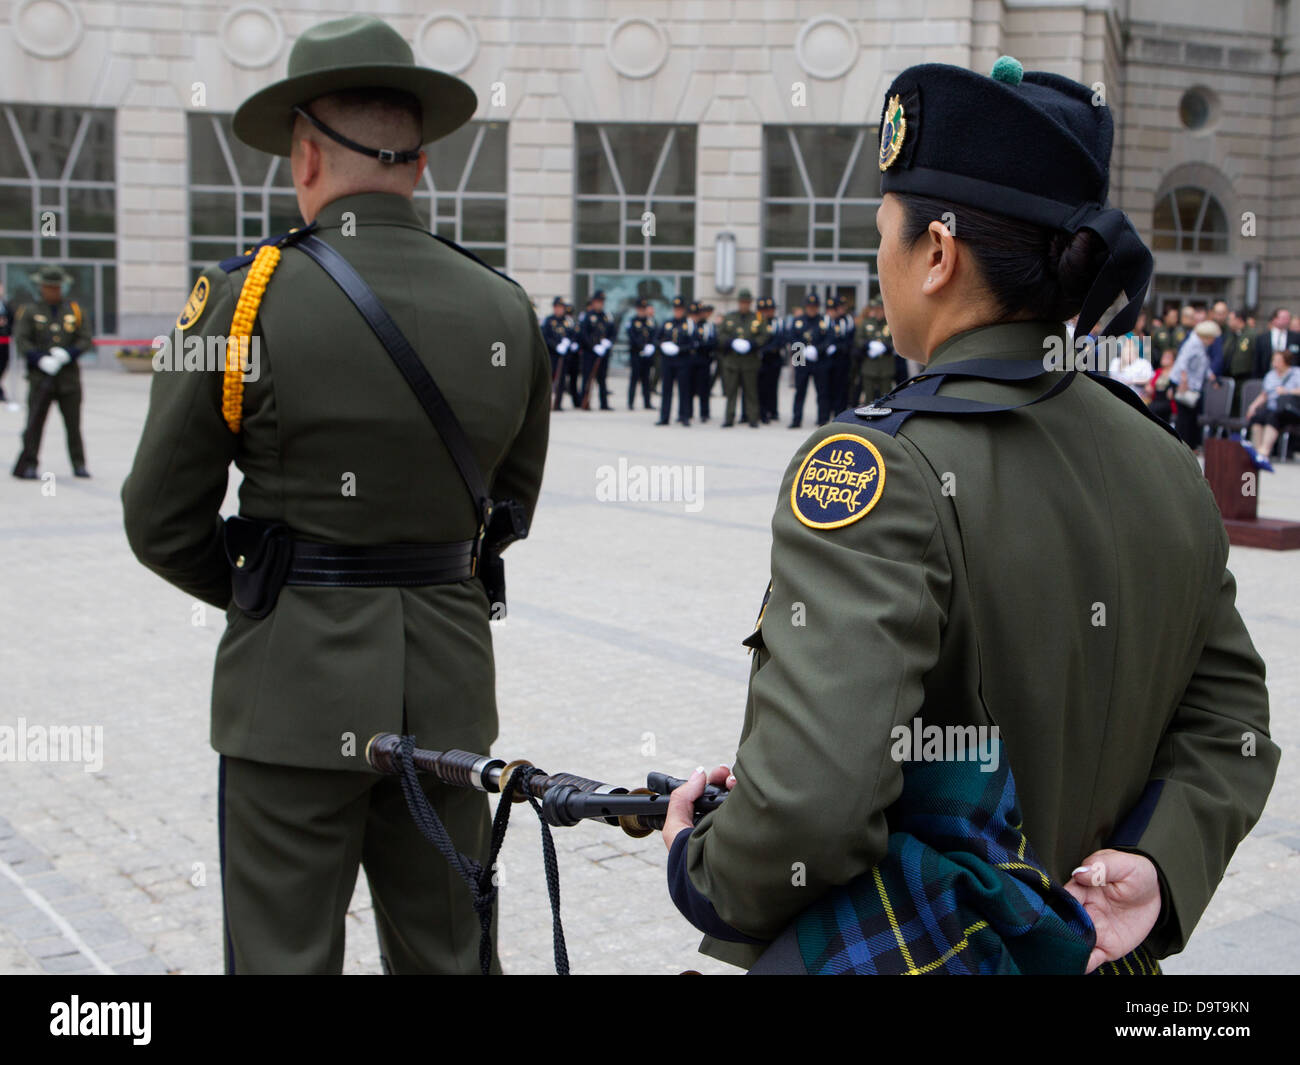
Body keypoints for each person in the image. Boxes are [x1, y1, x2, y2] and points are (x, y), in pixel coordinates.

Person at [660, 57, 1277, 975]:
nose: (880, 264)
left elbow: (816, 803)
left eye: (886, 235)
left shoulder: (878, 465)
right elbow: (1235, 719)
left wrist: (704, 867)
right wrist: (1160, 862)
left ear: (938, 253)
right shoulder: (1163, 459)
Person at [120, 15, 551, 974]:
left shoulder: (245, 298)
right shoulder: (505, 308)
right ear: (422, 162)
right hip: (445, 702)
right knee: (449, 958)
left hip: (290, 703)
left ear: (306, 153)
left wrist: (269, 585)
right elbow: (508, 510)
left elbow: (157, 515)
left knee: (281, 961)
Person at [11, 265, 93, 479]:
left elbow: (85, 338)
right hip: (41, 378)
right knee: (34, 424)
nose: (52, 291)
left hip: (68, 379)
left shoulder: (74, 311)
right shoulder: (30, 311)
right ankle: (29, 463)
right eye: (48, 287)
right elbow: (22, 340)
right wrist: (40, 359)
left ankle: (79, 463)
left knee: (73, 425)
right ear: (41, 287)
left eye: (56, 287)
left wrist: (69, 353)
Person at [718, 288, 766, 428]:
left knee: (751, 392)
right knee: (731, 391)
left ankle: (752, 418)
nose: (744, 305)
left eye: (746, 302)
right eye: (742, 302)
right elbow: (720, 334)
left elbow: (764, 336)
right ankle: (729, 417)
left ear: (750, 303)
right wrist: (731, 342)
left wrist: (752, 344)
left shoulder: (757, 318)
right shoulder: (730, 317)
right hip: (732, 361)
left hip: (749, 361)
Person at [1171, 320, 1219, 448]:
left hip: (1193, 384)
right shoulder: (1193, 343)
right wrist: (1184, 380)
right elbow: (1182, 362)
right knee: (1184, 417)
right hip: (1184, 383)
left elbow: (1203, 364)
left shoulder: (1202, 345)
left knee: (1192, 416)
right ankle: (1181, 445)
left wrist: (1211, 376)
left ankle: (1190, 445)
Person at [1245, 349, 1300, 458]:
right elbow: (1264, 394)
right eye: (1273, 360)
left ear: (1286, 361)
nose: (1274, 363)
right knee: (1258, 417)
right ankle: (1257, 451)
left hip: (1290, 410)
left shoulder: (1296, 373)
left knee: (1273, 416)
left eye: (1277, 360)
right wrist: (1253, 406)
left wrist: (1287, 391)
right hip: (1273, 408)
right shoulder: (1270, 375)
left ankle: (1265, 450)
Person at [787, 293, 829, 429]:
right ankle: (796, 419)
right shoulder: (797, 320)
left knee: (822, 391)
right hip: (800, 357)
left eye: (814, 307)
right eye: (809, 307)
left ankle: (822, 419)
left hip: (819, 359)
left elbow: (830, 339)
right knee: (800, 390)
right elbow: (791, 338)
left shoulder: (824, 321)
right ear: (805, 307)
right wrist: (802, 349)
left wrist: (818, 350)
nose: (812, 309)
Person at [655, 296, 695, 426]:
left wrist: (679, 349)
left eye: (680, 309)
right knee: (666, 389)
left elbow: (694, 343)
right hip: (668, 361)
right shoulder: (667, 323)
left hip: (683, 361)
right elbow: (656, 339)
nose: (677, 311)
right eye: (676, 309)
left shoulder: (689, 324)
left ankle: (684, 416)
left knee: (684, 389)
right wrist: (663, 345)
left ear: (684, 310)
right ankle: (664, 417)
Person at [578, 290, 615, 410]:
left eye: (602, 302)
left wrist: (608, 342)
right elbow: (583, 334)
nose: (600, 304)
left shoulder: (606, 316)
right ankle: (585, 402)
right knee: (588, 378)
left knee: (602, 379)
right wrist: (594, 346)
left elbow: (613, 332)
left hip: (603, 353)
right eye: (598, 302)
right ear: (593, 302)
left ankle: (604, 404)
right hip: (590, 353)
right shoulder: (587, 316)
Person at [856, 299, 896, 406]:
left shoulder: (891, 323)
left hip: (886, 367)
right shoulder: (866, 323)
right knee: (868, 397)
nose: (877, 312)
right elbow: (858, 340)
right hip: (869, 366)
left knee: (885, 397)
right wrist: (868, 344)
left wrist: (886, 347)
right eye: (875, 309)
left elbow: (898, 341)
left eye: (880, 309)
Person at [541, 295, 575, 410]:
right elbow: (545, 336)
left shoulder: (568, 321)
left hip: (563, 356)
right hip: (551, 355)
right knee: (549, 381)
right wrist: (556, 346)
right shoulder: (549, 320)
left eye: (561, 307)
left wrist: (568, 343)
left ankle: (558, 404)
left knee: (561, 381)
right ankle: (547, 404)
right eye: (557, 307)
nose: (559, 309)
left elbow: (573, 335)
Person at [625, 297, 656, 410]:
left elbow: (654, 335)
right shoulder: (632, 321)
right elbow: (632, 337)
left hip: (647, 356)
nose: (642, 311)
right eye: (640, 309)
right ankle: (630, 403)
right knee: (634, 379)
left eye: (644, 309)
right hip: (636, 354)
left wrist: (651, 346)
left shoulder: (650, 322)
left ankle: (647, 403)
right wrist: (642, 346)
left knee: (646, 380)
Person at [1254, 307, 1300, 379]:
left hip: (1290, 378)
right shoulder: (1262, 338)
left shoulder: (1296, 337)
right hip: (1267, 376)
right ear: (1274, 319)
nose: (1287, 320)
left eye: (1288, 318)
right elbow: (1257, 360)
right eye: (1284, 318)